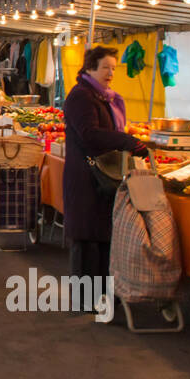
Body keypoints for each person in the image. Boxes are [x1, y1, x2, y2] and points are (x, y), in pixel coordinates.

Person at [62, 45, 149, 289]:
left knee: (100, 237)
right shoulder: (81, 96)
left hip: (101, 176)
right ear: (90, 68)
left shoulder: (102, 96)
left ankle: (102, 295)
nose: (110, 73)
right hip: (86, 177)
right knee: (87, 238)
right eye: (105, 68)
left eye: (113, 68)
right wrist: (127, 141)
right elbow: (89, 134)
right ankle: (86, 298)